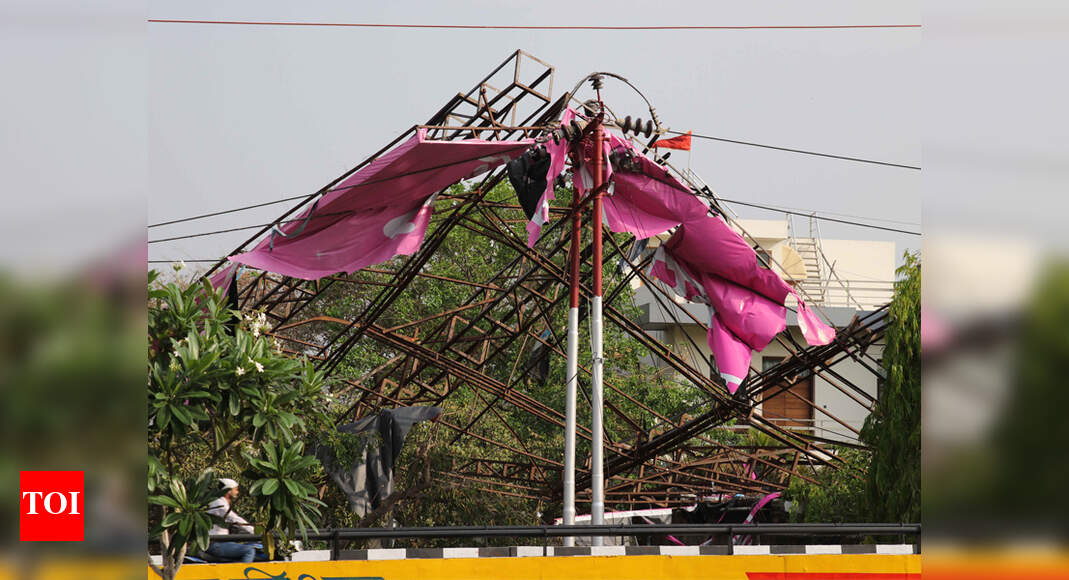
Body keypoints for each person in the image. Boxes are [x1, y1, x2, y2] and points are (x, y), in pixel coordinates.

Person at [205, 478, 256, 563]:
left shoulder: (221, 502)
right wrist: (254, 531)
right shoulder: (219, 504)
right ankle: (241, 575)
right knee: (249, 551)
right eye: (235, 490)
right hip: (216, 544)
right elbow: (234, 519)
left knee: (251, 545)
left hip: (221, 542)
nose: (237, 492)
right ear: (228, 491)